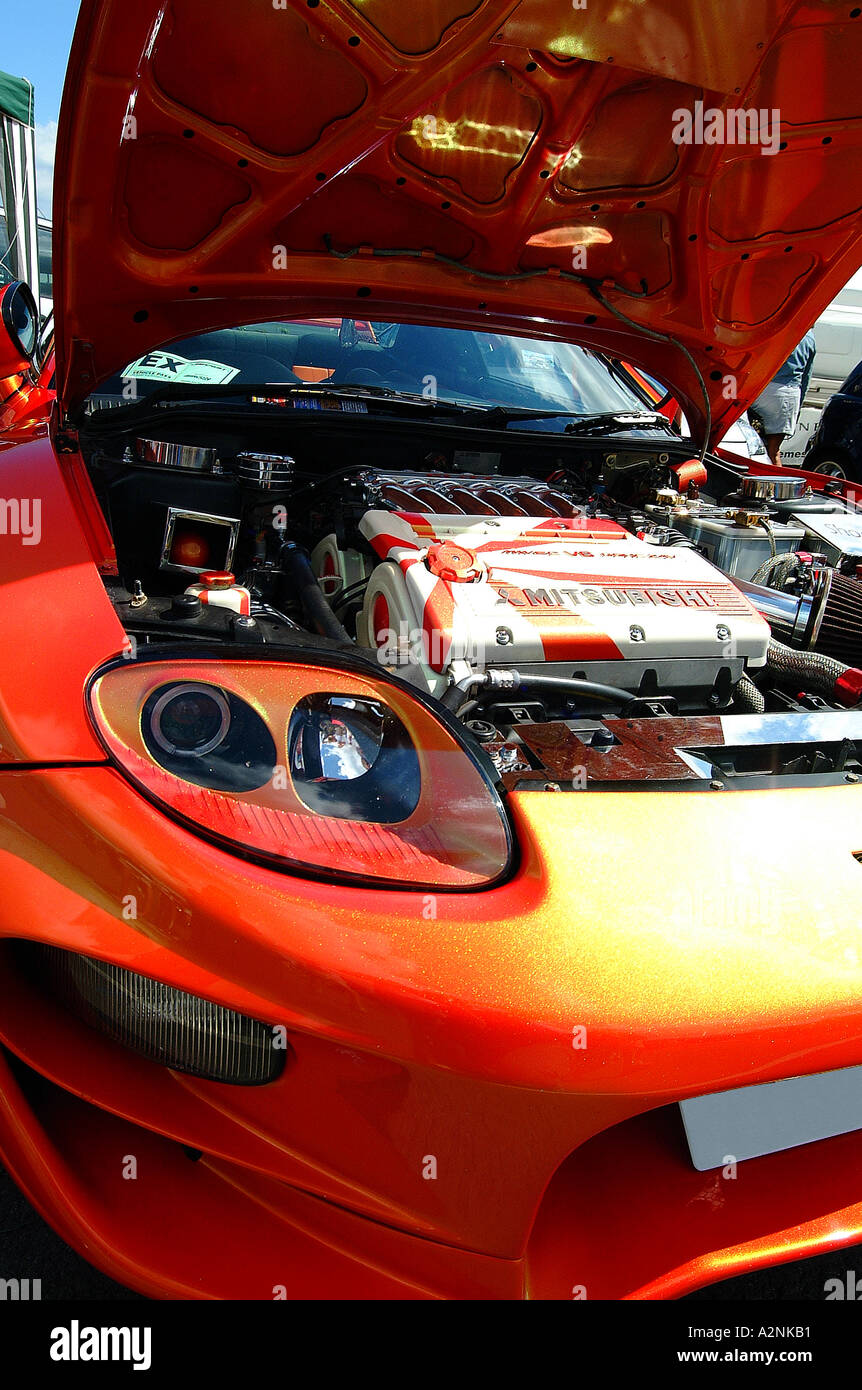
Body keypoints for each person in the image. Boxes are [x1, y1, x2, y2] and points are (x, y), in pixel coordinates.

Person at [749, 330, 816, 464]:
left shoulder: (778, 328)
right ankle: (777, 483)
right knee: (774, 453)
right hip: (787, 396)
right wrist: (797, 408)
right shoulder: (809, 338)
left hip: (761, 387)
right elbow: (806, 379)